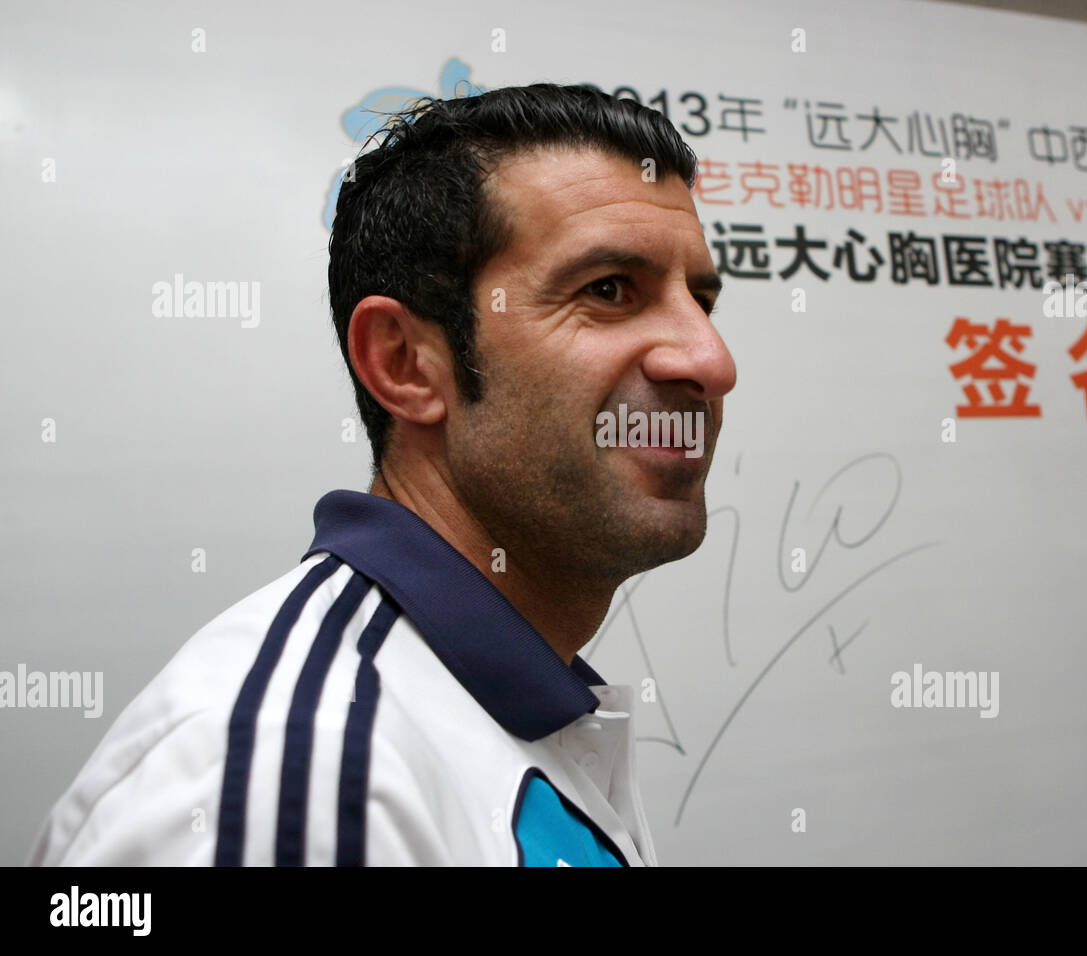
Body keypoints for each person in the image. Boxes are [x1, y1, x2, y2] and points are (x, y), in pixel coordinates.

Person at [28, 83, 736, 867]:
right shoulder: (302, 773)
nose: (710, 360)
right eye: (608, 291)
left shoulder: (506, 706)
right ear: (406, 364)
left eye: (701, 300)